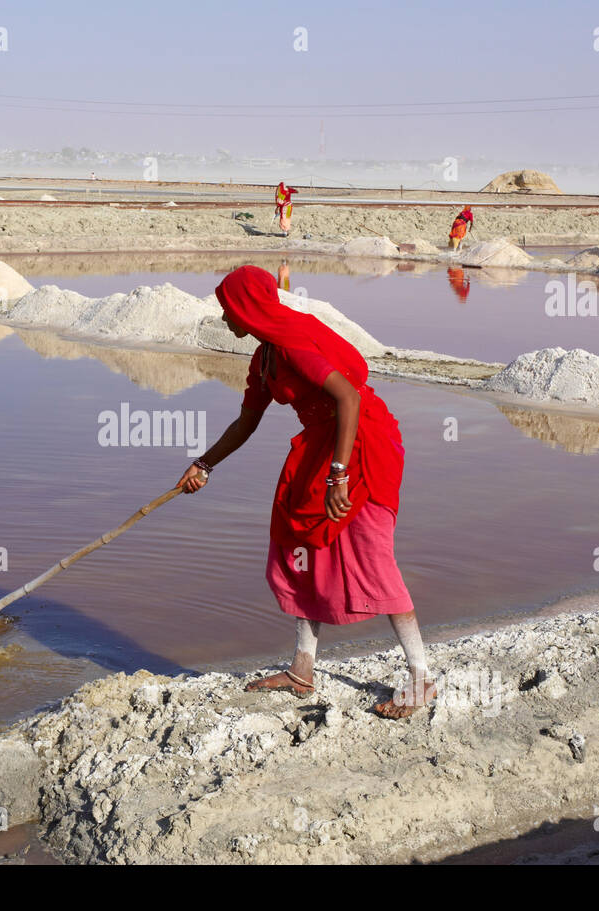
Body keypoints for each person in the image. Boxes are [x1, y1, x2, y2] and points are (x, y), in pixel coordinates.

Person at [176, 265, 433, 719]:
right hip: (322, 445)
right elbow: (246, 422)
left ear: (247, 308)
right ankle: (302, 668)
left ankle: (421, 678)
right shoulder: (264, 358)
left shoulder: (294, 343)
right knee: (300, 540)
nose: (225, 320)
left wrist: (339, 475)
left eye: (227, 310)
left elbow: (348, 398)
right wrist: (204, 465)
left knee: (372, 555)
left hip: (360, 445)